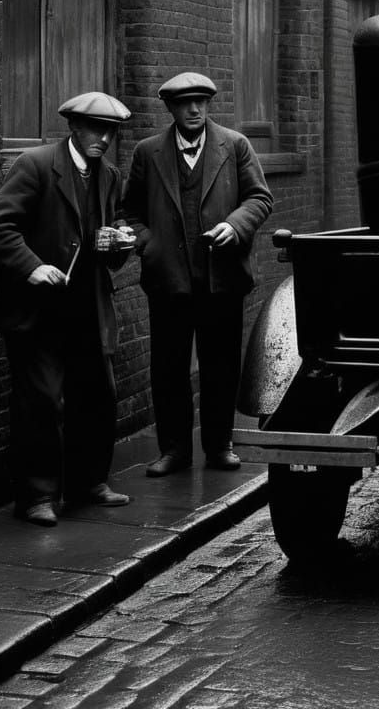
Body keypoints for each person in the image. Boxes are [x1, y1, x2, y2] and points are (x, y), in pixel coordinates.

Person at [0, 92, 136, 526]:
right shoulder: (35, 165)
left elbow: (110, 235)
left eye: (110, 131)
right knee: (43, 402)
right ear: (73, 127)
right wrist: (32, 267)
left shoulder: (109, 175)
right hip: (38, 311)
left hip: (88, 307)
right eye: (95, 129)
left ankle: (90, 483)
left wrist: (118, 244)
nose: (103, 138)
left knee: (97, 397)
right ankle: (38, 496)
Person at [119, 72, 273, 477]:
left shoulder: (235, 146)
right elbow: (128, 212)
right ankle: (174, 451)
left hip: (221, 280)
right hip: (168, 281)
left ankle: (220, 445)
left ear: (209, 104)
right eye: (185, 103)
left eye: (201, 102)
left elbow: (260, 197)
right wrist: (148, 243)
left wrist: (235, 225)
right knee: (168, 368)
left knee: (220, 366)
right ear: (170, 108)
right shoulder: (148, 152)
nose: (194, 110)